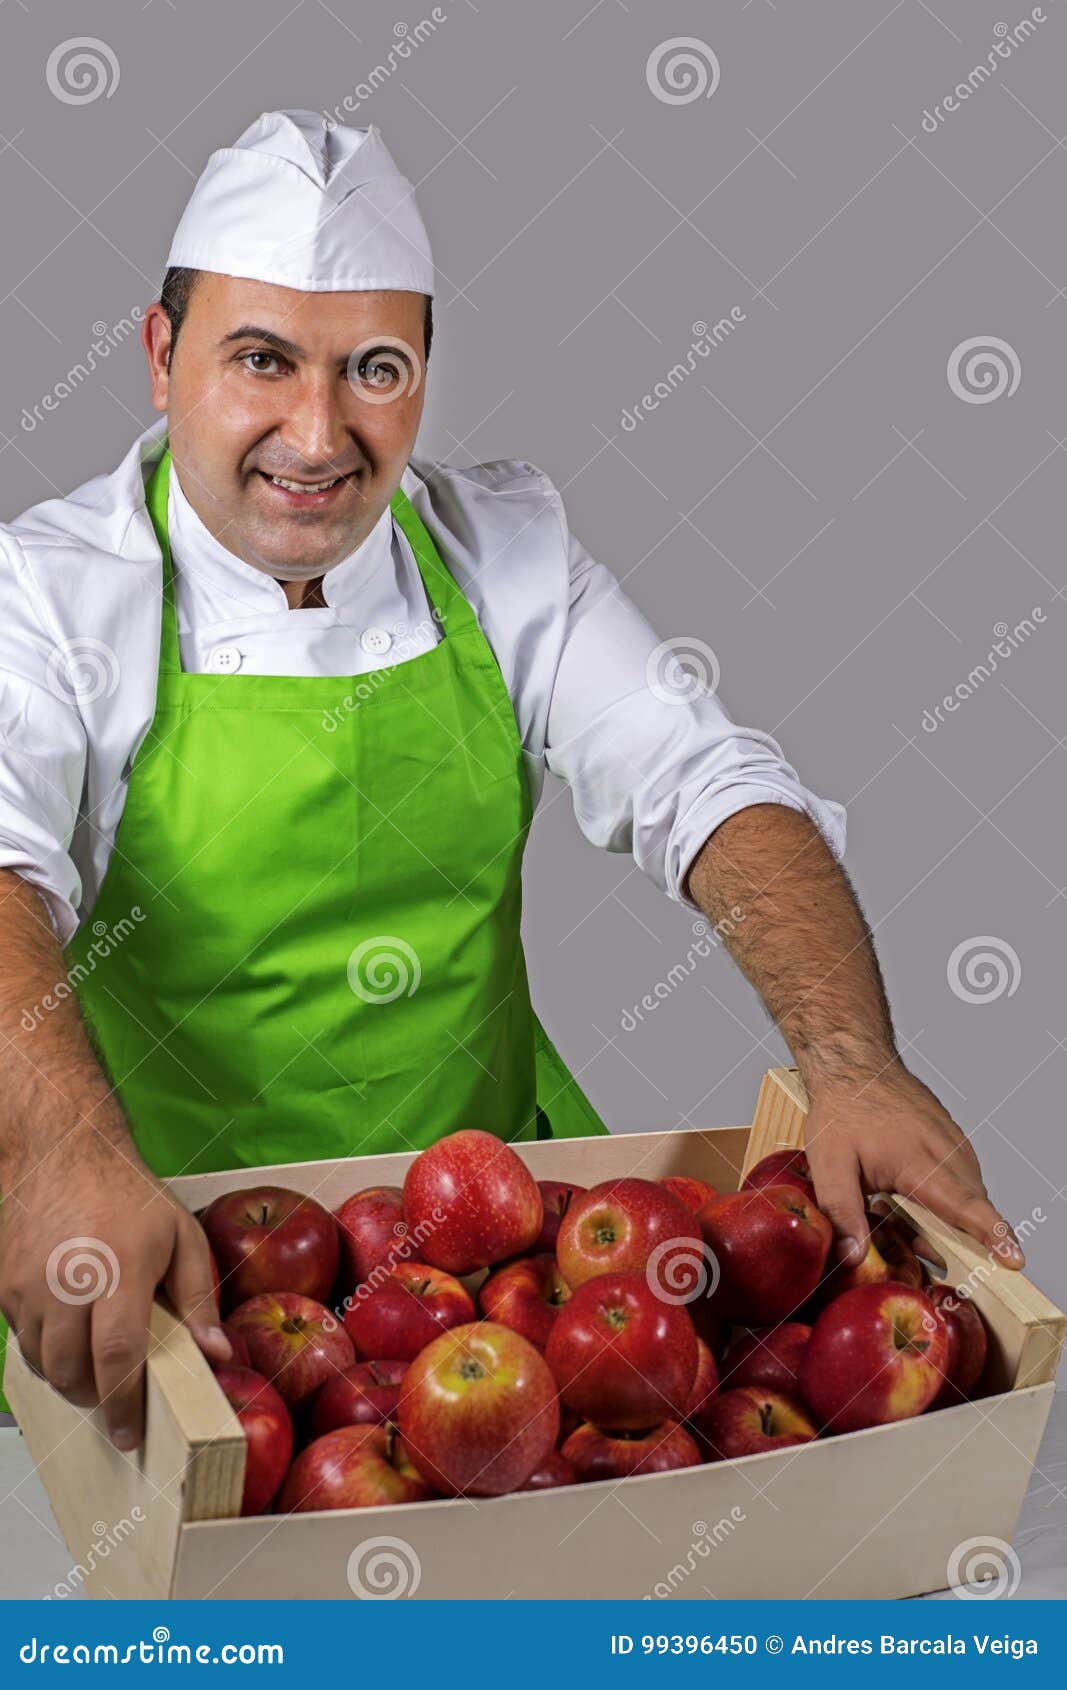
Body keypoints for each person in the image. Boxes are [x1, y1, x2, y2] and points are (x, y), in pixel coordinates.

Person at [0, 110, 1022, 1443]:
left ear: (424, 374)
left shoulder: (505, 555)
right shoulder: (48, 595)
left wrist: (852, 1055)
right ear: (159, 355)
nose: (316, 434)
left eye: (372, 369)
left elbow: (707, 785)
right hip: (167, 1274)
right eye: (261, 361)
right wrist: (63, 1156)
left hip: (495, 1271)